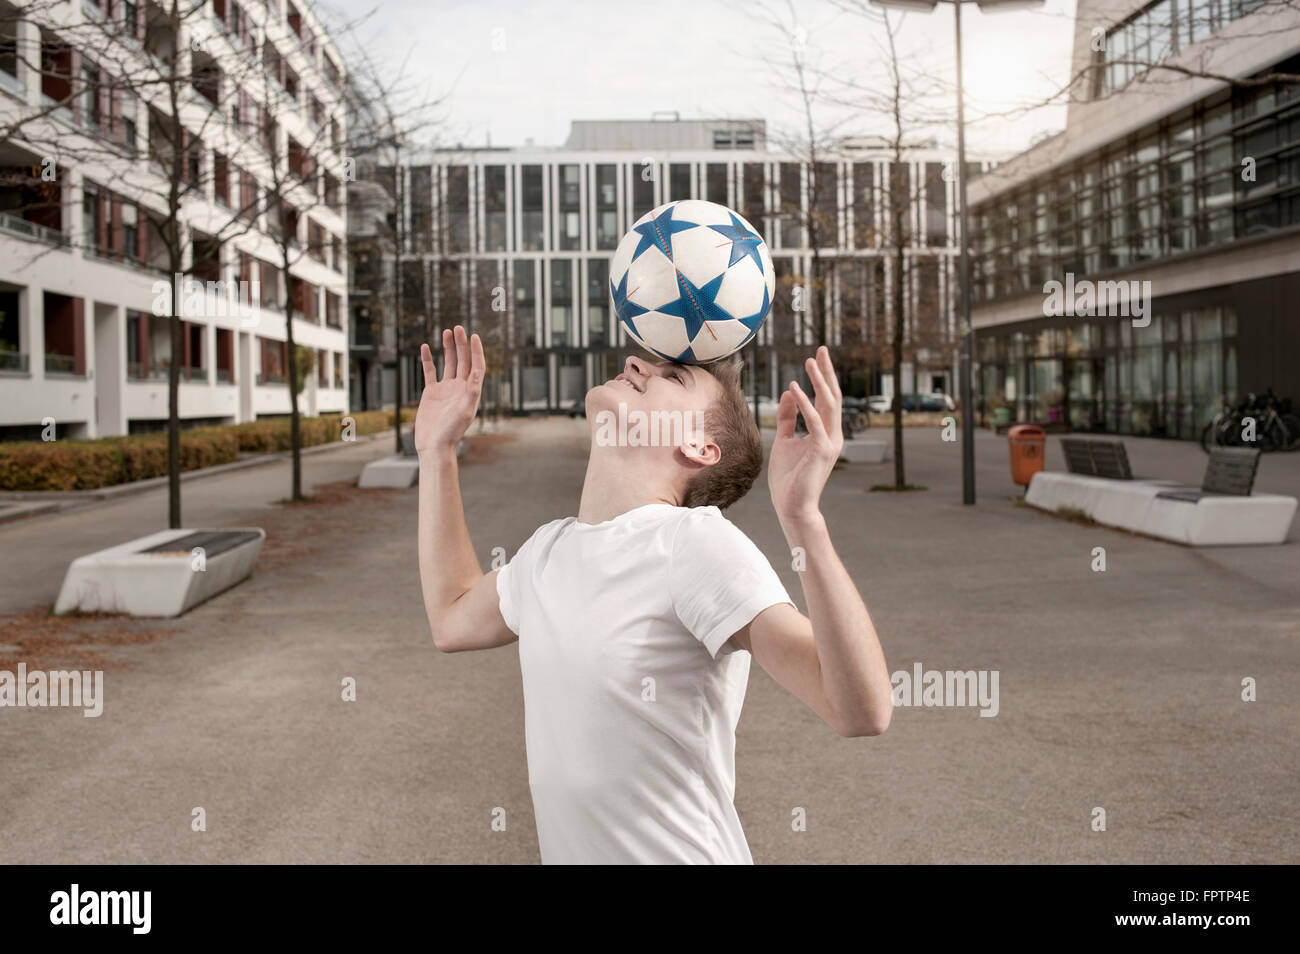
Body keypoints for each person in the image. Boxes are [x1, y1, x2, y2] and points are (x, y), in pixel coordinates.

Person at [416, 324, 892, 864]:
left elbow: (860, 711)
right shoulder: (547, 552)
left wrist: (803, 519)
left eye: (674, 376)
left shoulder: (694, 544)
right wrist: (437, 452)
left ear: (698, 446)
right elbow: (451, 619)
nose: (636, 362)